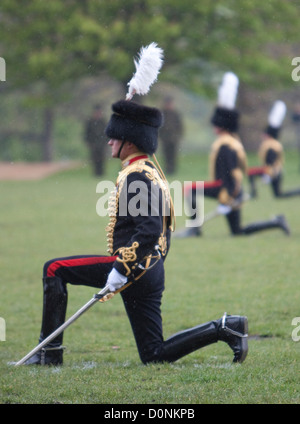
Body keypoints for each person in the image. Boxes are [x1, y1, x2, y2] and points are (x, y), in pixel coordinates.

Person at [24, 99, 248, 366]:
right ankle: (224, 327)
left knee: (54, 269)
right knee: (154, 354)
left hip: (135, 269)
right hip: (150, 271)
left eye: (114, 137)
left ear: (128, 141)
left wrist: (121, 268)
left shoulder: (135, 176)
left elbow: (150, 229)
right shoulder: (150, 170)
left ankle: (49, 354)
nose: (109, 142)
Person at [176, 73, 290, 238]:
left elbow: (233, 172)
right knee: (238, 231)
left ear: (221, 125)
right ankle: (276, 222)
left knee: (189, 190)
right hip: (231, 188)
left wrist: (228, 196)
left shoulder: (225, 144)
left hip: (226, 188)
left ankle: (195, 229)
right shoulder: (231, 141)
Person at [248, 101, 300, 198]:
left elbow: (271, 162)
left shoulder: (271, 145)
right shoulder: (272, 143)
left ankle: (253, 193)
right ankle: (253, 193)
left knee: (279, 195)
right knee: (278, 194)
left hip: (273, 172)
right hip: (272, 171)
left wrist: (267, 175)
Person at [159, 96, 184, 174]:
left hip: (173, 138)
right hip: (165, 138)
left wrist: (178, 135)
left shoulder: (175, 114)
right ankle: (167, 169)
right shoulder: (162, 113)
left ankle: (172, 170)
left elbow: (179, 126)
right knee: (166, 155)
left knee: (173, 155)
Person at [84, 104, 107, 176]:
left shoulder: (103, 122)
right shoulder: (90, 122)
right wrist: (89, 142)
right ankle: (96, 173)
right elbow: (87, 133)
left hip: (102, 144)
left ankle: (101, 173)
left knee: (101, 159)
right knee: (94, 159)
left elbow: (106, 133)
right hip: (93, 144)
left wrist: (106, 142)